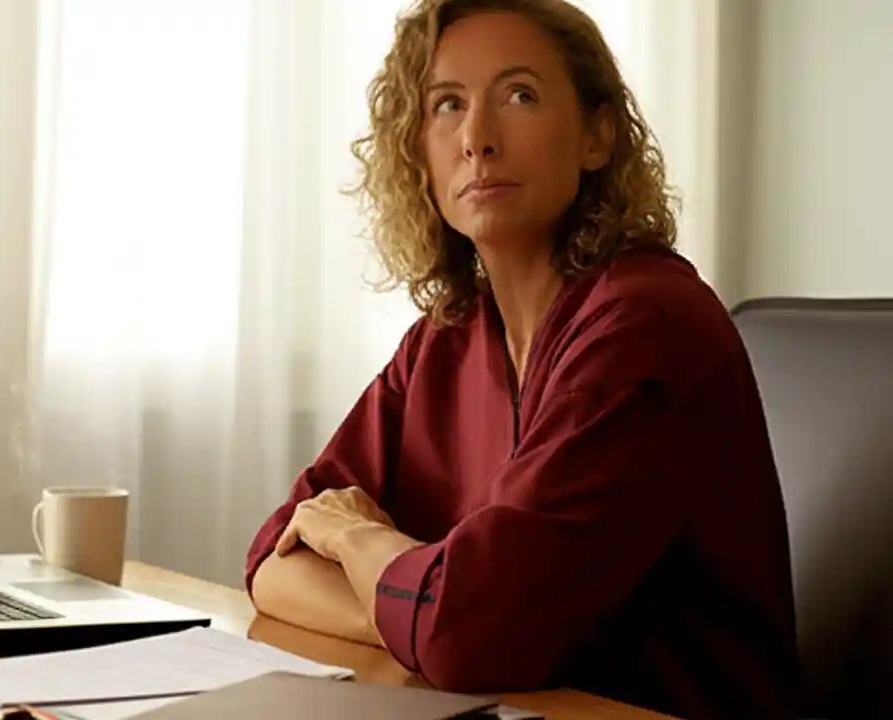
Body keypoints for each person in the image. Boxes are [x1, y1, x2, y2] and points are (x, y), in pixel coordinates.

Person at [244, 1, 801, 717]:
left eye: (519, 95)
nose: (477, 137)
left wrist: (360, 541)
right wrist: (420, 615)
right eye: (446, 105)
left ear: (597, 135)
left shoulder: (648, 324)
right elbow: (274, 559)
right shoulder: (442, 340)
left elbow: (470, 636)